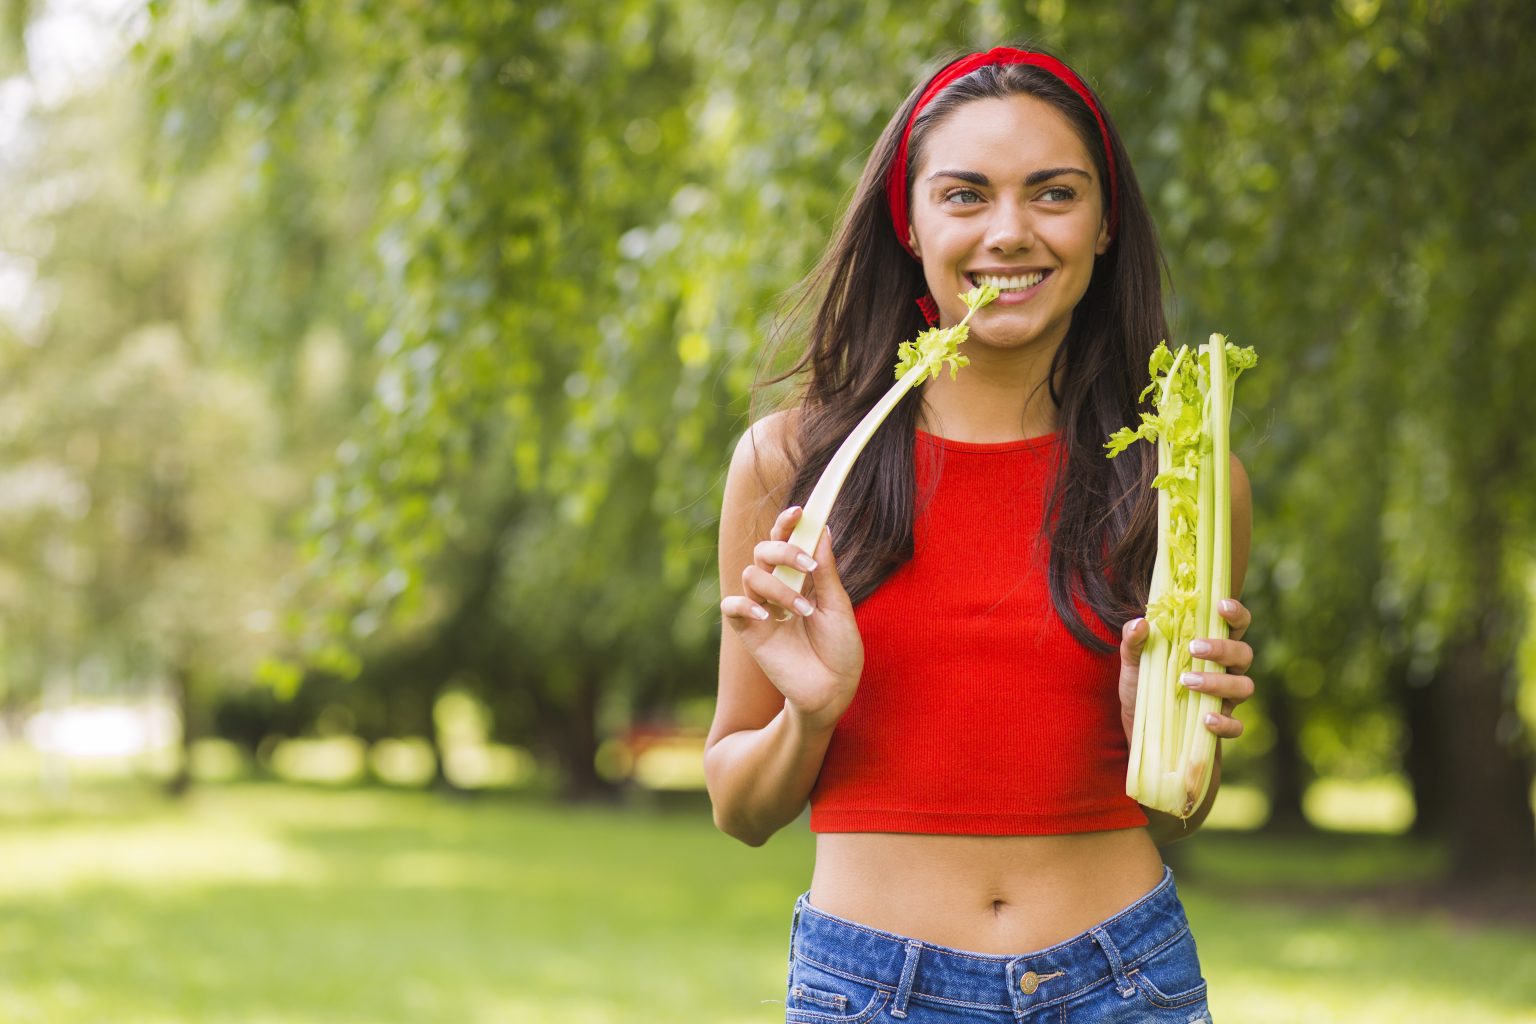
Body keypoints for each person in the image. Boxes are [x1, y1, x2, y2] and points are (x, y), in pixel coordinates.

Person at [705, 45, 1254, 1023]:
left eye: (1054, 194)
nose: (1010, 232)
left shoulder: (1183, 477)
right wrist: (812, 713)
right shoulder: (790, 466)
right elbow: (740, 809)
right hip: (872, 990)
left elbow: (1183, 806)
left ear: (1105, 222)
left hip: (1127, 981)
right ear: (909, 224)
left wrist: (1159, 727)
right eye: (966, 196)